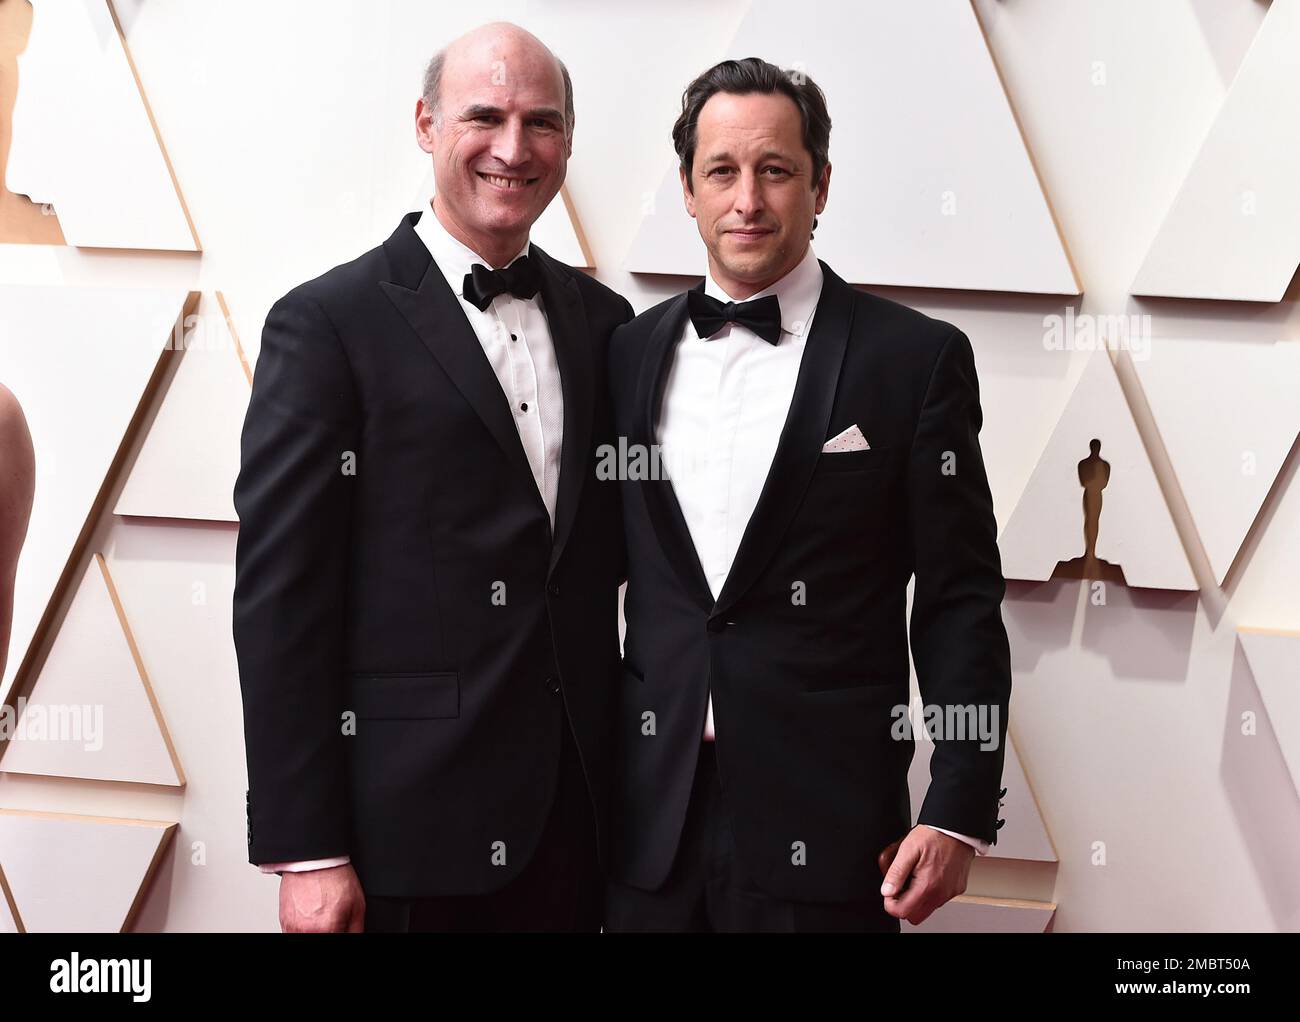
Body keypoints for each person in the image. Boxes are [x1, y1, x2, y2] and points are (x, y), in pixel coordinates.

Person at [233, 22, 631, 933]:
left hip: (582, 827)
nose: (512, 147)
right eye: (483, 115)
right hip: (400, 834)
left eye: (542, 122)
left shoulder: (608, 323)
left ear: (567, 141)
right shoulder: (325, 324)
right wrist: (308, 850)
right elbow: (280, 602)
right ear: (425, 125)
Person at [604, 57, 1012, 932]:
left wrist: (957, 805)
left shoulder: (914, 361)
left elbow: (959, 597)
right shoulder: (625, 355)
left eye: (776, 170)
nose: (747, 199)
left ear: (821, 184)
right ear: (687, 189)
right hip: (645, 827)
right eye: (721, 171)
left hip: (829, 827)